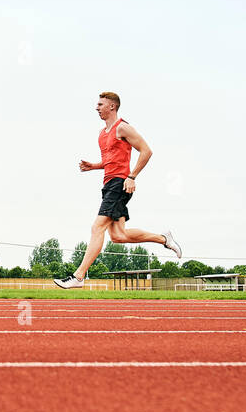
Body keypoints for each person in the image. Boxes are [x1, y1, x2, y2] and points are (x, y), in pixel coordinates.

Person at [55, 91, 182, 288]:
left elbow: (146, 151)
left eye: (100, 104)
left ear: (112, 106)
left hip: (120, 183)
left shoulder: (123, 127)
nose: (96, 108)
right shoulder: (101, 133)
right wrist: (94, 166)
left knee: (97, 227)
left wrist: (132, 176)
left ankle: (78, 276)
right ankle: (164, 239)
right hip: (108, 184)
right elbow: (109, 160)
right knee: (118, 236)